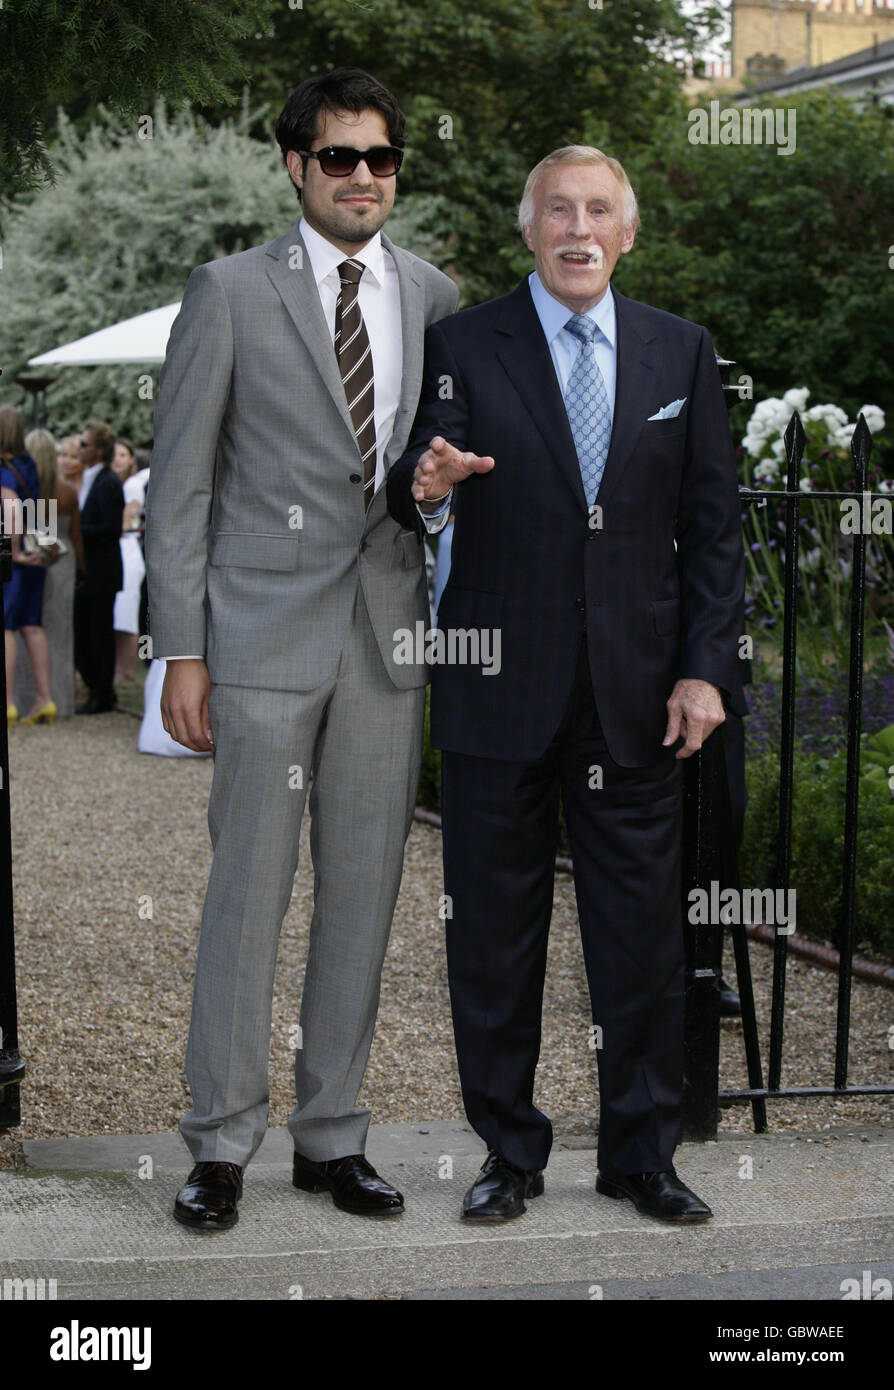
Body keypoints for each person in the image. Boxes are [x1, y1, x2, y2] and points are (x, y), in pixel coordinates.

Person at [387, 145, 746, 1225]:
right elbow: (414, 493)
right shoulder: (459, 345)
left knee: (638, 938)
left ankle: (642, 1153)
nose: (578, 228)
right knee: (493, 937)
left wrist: (702, 669)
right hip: (499, 688)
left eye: (599, 211)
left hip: (639, 698)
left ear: (627, 234)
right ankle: (510, 1150)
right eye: (558, 210)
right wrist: (432, 488)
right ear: (530, 229)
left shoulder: (681, 355)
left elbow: (714, 531)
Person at [144, 67, 458, 1232]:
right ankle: (220, 1144)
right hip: (261, 639)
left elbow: (436, 475)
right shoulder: (228, 292)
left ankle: (334, 1138)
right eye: (340, 157)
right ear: (296, 164)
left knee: (365, 895)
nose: (364, 176)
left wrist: (437, 501)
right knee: (248, 893)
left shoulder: (434, 295)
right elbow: (177, 485)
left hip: (387, 642)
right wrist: (180, 649)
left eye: (381, 158)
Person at [15, 428, 83, 720]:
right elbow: (76, 537)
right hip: (63, 564)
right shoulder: (66, 491)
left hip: (29, 560)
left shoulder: (24, 492)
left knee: (24, 630)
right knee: (59, 633)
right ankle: (58, 698)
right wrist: (82, 570)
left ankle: (23, 697)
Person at [1, 406, 52, 725]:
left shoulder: (4, 467)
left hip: (14, 557)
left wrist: (14, 551)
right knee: (32, 625)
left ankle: (7, 703)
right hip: (37, 556)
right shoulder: (29, 463)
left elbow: (11, 508)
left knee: (4, 626)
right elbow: (37, 506)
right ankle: (44, 699)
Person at [74, 419, 124, 714]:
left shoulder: (107, 481)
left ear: (99, 450)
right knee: (86, 633)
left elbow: (110, 528)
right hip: (90, 571)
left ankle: (102, 692)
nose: (80, 449)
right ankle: (96, 687)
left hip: (101, 572)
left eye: (85, 444)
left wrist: (79, 532)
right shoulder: (91, 479)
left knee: (99, 634)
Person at [113, 440, 147, 686]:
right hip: (122, 546)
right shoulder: (121, 484)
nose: (117, 459)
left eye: (123, 454)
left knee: (127, 611)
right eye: (115, 454)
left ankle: (124, 671)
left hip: (127, 547)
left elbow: (130, 521)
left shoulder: (133, 486)